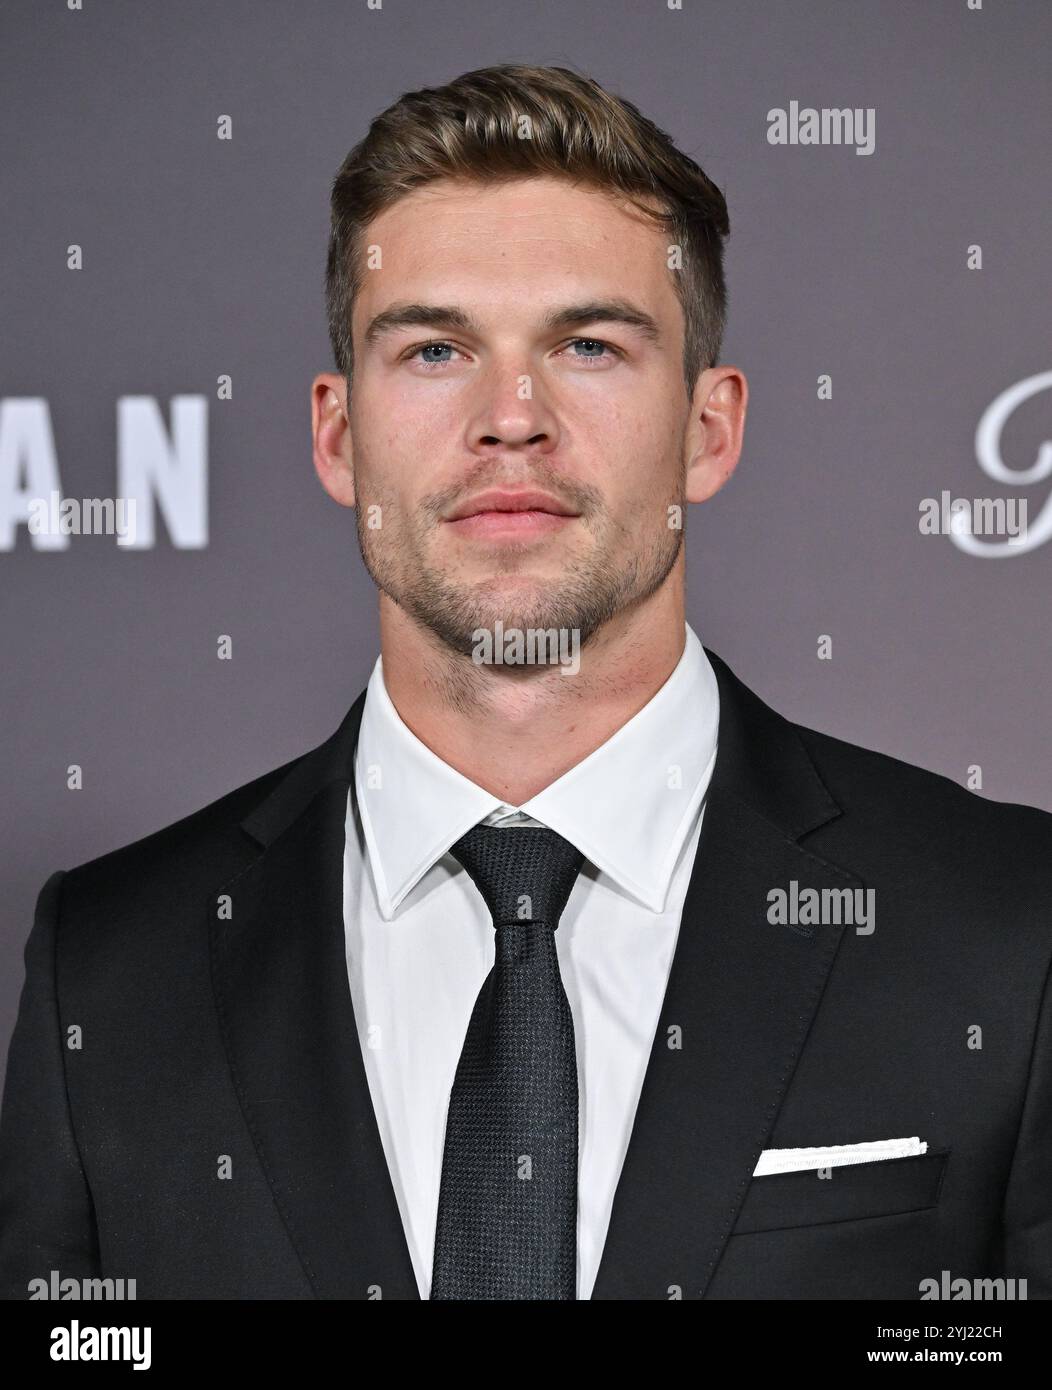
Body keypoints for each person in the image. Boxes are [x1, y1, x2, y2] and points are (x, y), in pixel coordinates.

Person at [1, 63, 1050, 1302]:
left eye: (589, 345)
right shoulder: (114, 968)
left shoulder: (1006, 926)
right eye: (436, 347)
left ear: (707, 430)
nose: (512, 417)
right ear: (338, 434)